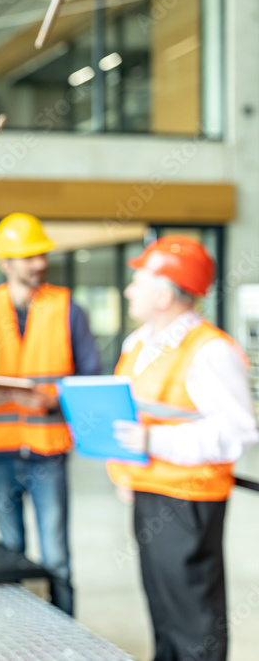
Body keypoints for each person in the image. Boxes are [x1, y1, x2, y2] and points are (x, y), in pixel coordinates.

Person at [109, 236, 258, 661]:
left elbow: (237, 432)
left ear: (163, 293)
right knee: (165, 615)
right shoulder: (138, 344)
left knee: (194, 622)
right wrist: (125, 473)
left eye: (137, 281)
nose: (128, 290)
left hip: (189, 501)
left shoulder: (210, 351)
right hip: (147, 493)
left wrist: (155, 441)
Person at [0, 212, 101, 616]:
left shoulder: (68, 309)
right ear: (5, 263)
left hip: (47, 452)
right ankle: (17, 634)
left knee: (56, 557)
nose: (39, 262)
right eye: (28, 255)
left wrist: (55, 399)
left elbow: (91, 378)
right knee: (10, 553)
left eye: (41, 254)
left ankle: (67, 636)